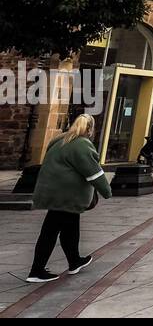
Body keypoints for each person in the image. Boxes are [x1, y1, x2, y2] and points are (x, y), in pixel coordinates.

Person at [27, 114, 112, 283]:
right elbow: (94, 172)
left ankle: (74, 261)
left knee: (70, 227)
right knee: (50, 231)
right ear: (90, 129)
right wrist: (107, 191)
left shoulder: (59, 140)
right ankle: (36, 271)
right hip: (66, 195)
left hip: (53, 191)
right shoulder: (81, 145)